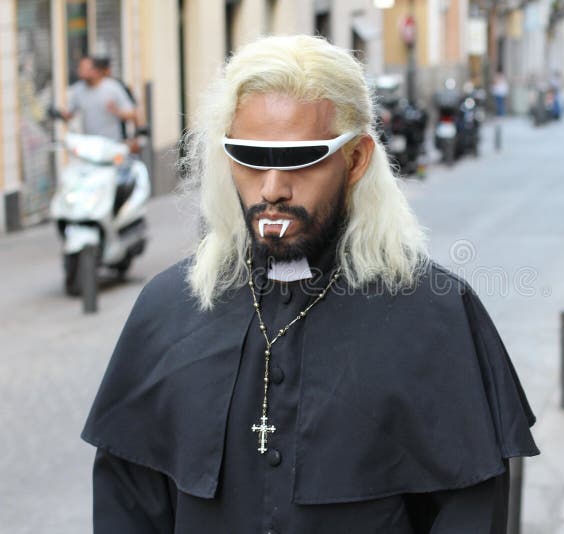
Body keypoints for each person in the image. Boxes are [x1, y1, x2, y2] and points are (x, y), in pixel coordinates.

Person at [82, 35, 538, 533]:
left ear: (357, 159)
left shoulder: (437, 316)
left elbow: (469, 515)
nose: (273, 187)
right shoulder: (167, 310)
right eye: (250, 156)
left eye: (301, 158)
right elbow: (127, 507)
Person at [54, 56, 136, 142]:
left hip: (112, 144)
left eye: (83, 68)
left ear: (96, 71)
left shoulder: (112, 87)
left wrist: (116, 111)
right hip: (91, 145)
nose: (79, 71)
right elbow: (69, 114)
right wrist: (59, 114)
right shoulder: (78, 90)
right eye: (79, 68)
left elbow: (132, 114)